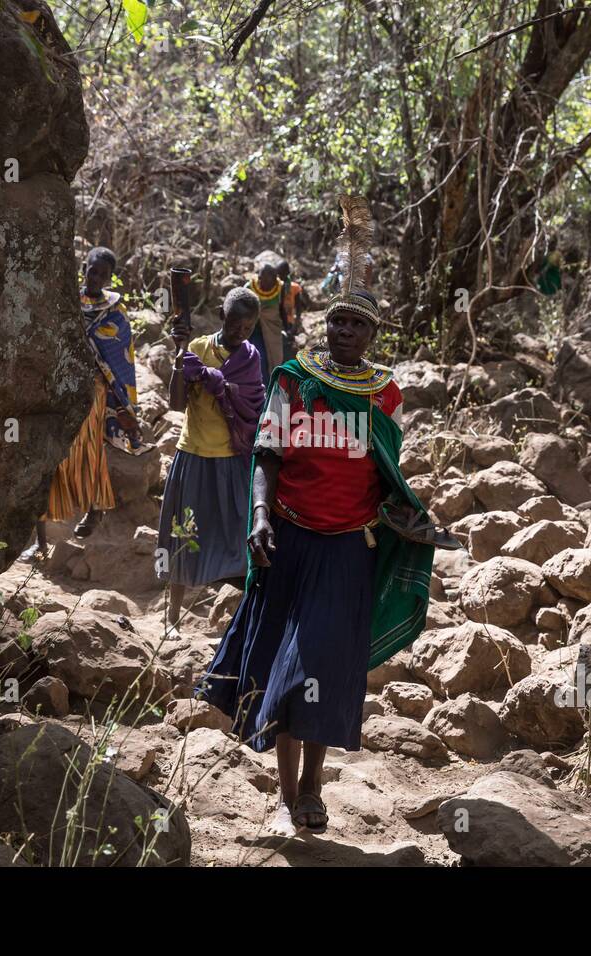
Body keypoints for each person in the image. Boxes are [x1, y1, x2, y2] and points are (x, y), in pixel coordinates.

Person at [193, 288, 435, 836]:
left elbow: (387, 473)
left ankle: (313, 786)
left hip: (349, 547)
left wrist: (413, 526)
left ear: (374, 335)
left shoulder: (384, 394)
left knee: (322, 667)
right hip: (288, 540)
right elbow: (267, 454)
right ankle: (288, 796)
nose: (345, 331)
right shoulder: (293, 380)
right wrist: (259, 516)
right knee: (283, 666)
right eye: (338, 321)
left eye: (357, 324)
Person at [23, 247, 147, 561]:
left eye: (104, 275)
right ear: (84, 268)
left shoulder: (115, 314)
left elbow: (120, 358)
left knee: (86, 451)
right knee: (47, 456)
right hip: (58, 387)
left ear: (110, 278)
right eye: (93, 271)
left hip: (92, 391)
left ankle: (95, 509)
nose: (97, 278)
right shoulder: (66, 301)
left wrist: (116, 396)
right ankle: (39, 541)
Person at [157, 287, 265, 625]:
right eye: (235, 324)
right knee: (183, 534)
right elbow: (176, 403)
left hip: (233, 459)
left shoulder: (250, 357)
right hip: (193, 456)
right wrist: (179, 354)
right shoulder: (198, 349)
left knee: (238, 537)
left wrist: (221, 384)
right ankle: (172, 617)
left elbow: (253, 405)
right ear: (222, 314)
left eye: (248, 328)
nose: (240, 333)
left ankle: (242, 621)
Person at [247, 262, 285, 382]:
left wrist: (288, 327)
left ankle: (271, 387)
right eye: (265, 278)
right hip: (252, 331)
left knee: (275, 358)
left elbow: (281, 308)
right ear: (260, 278)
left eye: (273, 279)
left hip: (272, 330)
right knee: (258, 358)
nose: (271, 282)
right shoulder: (249, 288)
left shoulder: (279, 289)